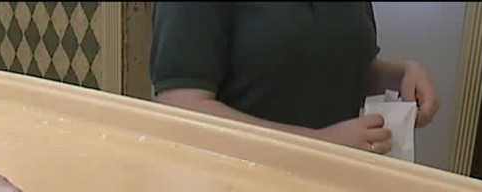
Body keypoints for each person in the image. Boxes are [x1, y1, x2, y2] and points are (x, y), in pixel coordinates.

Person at [150, 2, 439, 155]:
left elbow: (337, 65)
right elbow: (182, 102)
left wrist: (397, 74)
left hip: (335, 188)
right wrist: (316, 144)